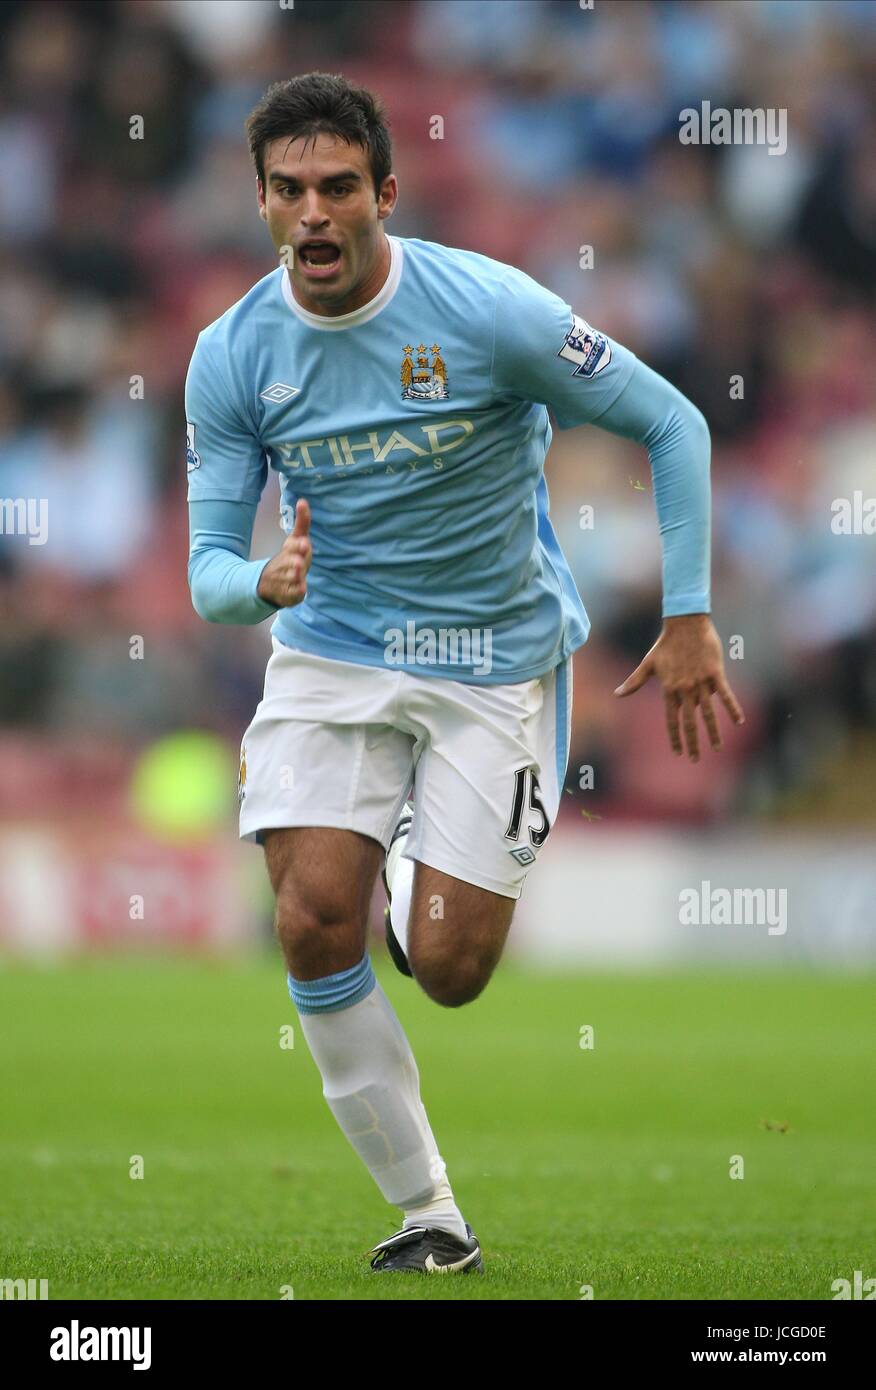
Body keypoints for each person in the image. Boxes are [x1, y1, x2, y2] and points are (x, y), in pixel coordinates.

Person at [185, 71, 744, 1276]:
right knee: (307, 920)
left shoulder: (491, 312)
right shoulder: (231, 356)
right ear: (264, 203)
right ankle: (429, 1212)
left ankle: (408, 883)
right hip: (332, 655)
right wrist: (259, 587)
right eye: (289, 192)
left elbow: (676, 425)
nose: (315, 214)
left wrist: (692, 616)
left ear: (387, 192)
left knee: (448, 968)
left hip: (493, 663)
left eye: (340, 187)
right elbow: (207, 570)